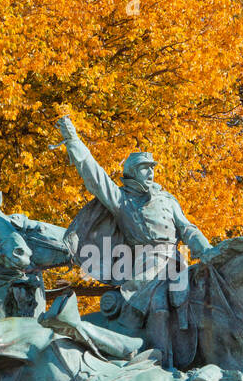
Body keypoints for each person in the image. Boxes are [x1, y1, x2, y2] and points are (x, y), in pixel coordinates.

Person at [56, 116, 208, 367]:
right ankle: (156, 357)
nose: (151, 172)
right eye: (145, 168)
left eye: (152, 168)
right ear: (132, 172)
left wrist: (208, 250)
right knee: (157, 299)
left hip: (177, 260)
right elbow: (94, 176)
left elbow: (188, 229)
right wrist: (73, 140)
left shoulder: (167, 199)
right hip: (147, 262)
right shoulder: (123, 201)